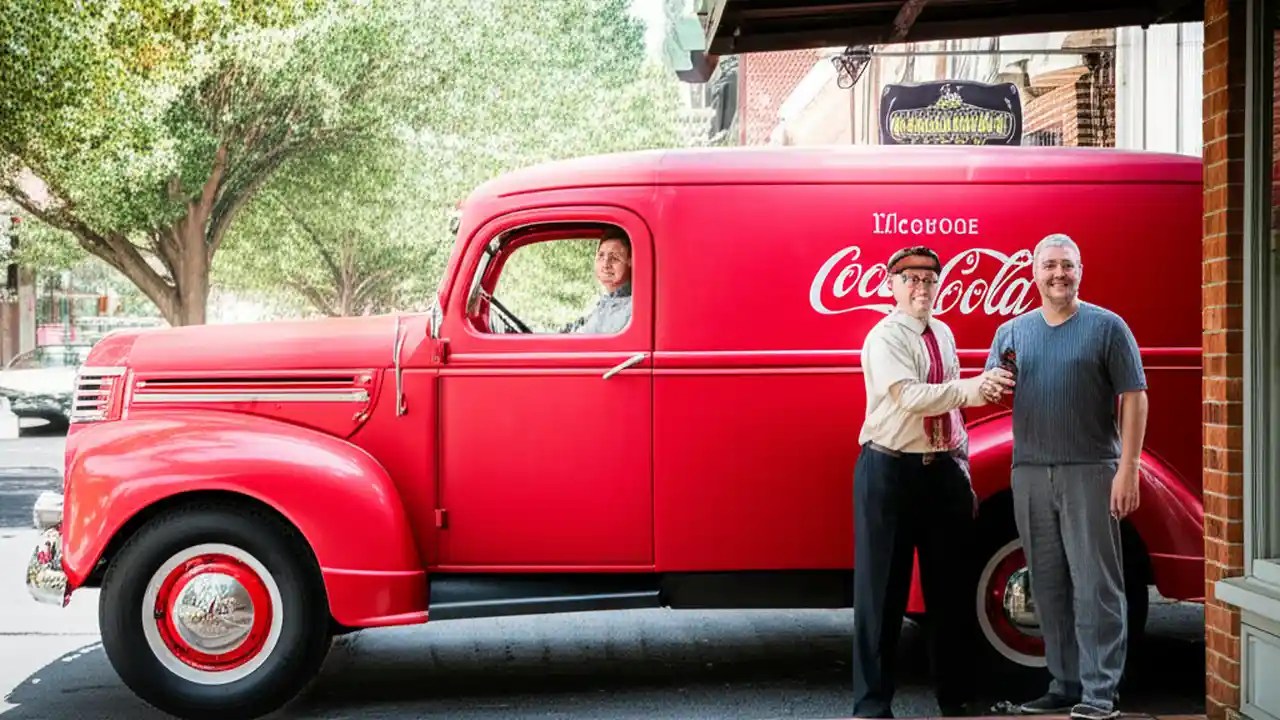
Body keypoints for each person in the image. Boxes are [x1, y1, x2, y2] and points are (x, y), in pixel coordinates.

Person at [981, 233, 1148, 720]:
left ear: (1080, 271)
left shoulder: (1107, 327)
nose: (1058, 274)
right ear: (1034, 273)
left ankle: (1099, 693)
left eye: (1067, 266)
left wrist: (1128, 469)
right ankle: (1064, 681)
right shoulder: (1011, 333)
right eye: (1049, 265)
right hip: (1030, 472)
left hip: (1090, 471)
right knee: (1048, 585)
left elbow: (1135, 396)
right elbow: (995, 388)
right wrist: (992, 386)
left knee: (1096, 585)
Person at [852, 245, 1016, 719]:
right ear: (892, 285)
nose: (922, 288)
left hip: (941, 470)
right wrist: (972, 388)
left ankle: (957, 699)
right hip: (889, 469)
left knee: (951, 592)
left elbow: (952, 413)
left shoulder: (942, 333)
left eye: (930, 280)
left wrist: (961, 468)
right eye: (911, 280)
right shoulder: (884, 337)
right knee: (881, 594)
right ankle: (872, 707)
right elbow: (909, 397)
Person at [561, 230, 633, 334]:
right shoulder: (608, 301)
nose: (605, 264)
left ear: (630, 262)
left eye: (614, 258)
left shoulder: (630, 308)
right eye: (601, 256)